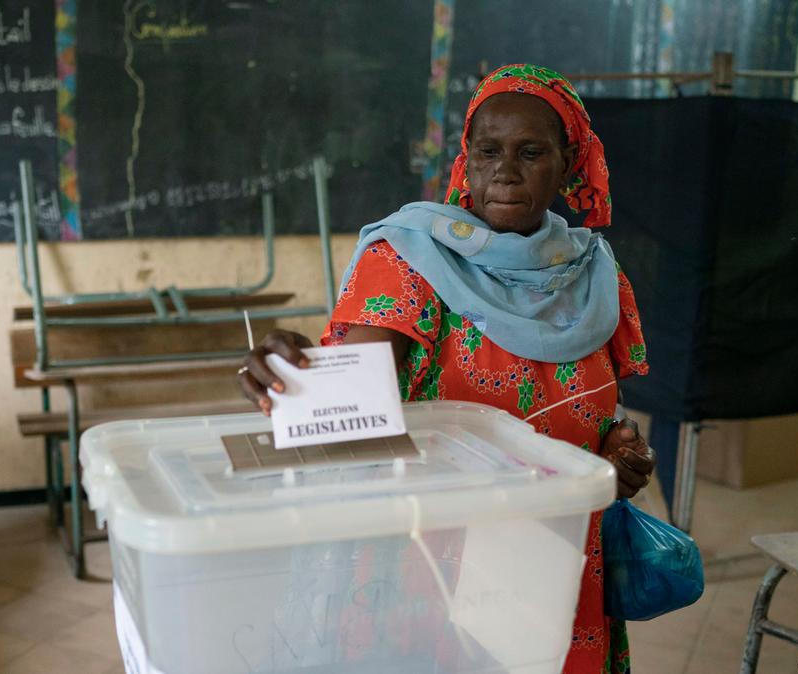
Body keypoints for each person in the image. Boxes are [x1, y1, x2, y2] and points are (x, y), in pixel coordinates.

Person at [238, 64, 656, 673]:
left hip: (554, 562)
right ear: (467, 158)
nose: (504, 171)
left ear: (568, 163)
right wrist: (294, 374)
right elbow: (347, 405)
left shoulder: (595, 275)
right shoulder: (410, 260)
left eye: (530, 152)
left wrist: (618, 455)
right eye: (488, 151)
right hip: (428, 574)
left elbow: (600, 416)